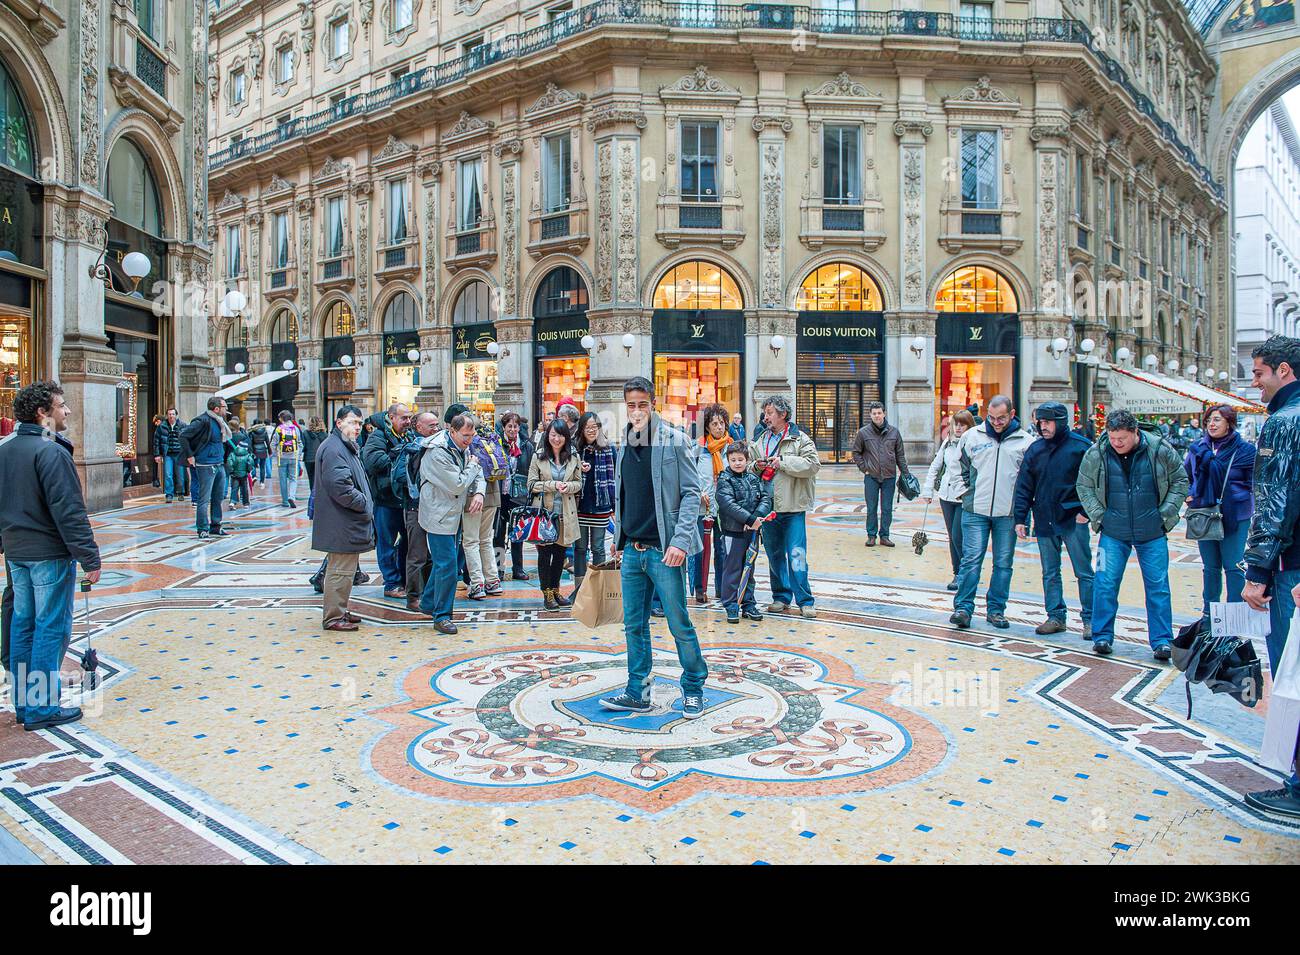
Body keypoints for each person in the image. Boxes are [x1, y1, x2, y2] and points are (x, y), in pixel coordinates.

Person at [599, 377, 709, 718]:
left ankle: (693, 687)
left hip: (665, 551)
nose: (636, 411)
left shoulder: (674, 441)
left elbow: (692, 492)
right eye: (630, 405)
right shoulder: (624, 444)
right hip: (632, 550)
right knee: (634, 624)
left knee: (678, 622)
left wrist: (679, 541)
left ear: (653, 402)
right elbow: (625, 494)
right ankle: (638, 691)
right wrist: (618, 540)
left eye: (642, 404)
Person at [0, 381, 102, 731]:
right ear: (43, 413)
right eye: (61, 405)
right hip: (48, 553)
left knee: (22, 625)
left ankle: (25, 705)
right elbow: (69, 511)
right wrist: (90, 558)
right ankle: (42, 707)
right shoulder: (51, 451)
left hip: (16, 553)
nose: (67, 411)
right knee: (49, 627)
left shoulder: (5, 448)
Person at [1240, 335, 1300, 818]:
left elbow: (1274, 505)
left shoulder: (1283, 422)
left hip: (1289, 569)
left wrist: (1257, 571)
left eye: (1258, 372)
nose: (1254, 381)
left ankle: (1298, 781)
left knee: (1291, 672)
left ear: (1283, 371)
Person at [1076, 409, 1188, 659]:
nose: (1116, 444)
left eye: (1122, 439)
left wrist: (1165, 513)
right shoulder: (1097, 453)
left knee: (1158, 587)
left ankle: (1162, 641)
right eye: (1112, 438)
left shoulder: (1159, 449)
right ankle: (1102, 636)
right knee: (1105, 583)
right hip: (1113, 532)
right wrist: (1099, 516)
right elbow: (1083, 486)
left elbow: (1180, 480)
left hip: (1152, 532)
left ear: (1136, 433)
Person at [950, 395, 1036, 630]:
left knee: (1003, 563)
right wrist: (964, 492)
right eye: (992, 417)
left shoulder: (1025, 442)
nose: (996, 422)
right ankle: (963, 608)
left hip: (1007, 514)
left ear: (1012, 413)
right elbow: (957, 465)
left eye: (1002, 418)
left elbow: (1029, 480)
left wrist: (1023, 513)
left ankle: (996, 610)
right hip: (975, 510)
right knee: (971, 561)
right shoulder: (972, 436)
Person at [1012, 402, 1095, 637]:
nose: (1043, 426)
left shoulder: (1081, 447)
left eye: (1047, 422)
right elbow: (1024, 485)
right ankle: (1056, 615)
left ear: (1060, 422)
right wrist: (1021, 517)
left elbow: (1095, 482)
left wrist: (1085, 513)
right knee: (1050, 571)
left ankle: (1090, 618)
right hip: (1045, 517)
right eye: (1040, 422)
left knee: (1083, 570)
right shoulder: (1036, 449)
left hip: (1073, 518)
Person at [750, 394, 820, 618]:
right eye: (765, 413)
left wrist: (784, 462)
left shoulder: (800, 439)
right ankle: (780, 596)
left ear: (783, 414)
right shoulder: (761, 439)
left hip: (792, 508)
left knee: (797, 554)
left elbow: (813, 465)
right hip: (769, 509)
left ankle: (805, 600)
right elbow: (750, 465)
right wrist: (757, 465)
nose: (766, 417)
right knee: (774, 554)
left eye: (770, 413)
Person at [1184, 404, 1256, 622]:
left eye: (1217, 420)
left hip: (1235, 513)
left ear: (1229, 423)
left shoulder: (1245, 450)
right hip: (1204, 512)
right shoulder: (1197, 448)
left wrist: (1236, 495)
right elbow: (1186, 475)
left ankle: (1234, 613)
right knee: (1210, 567)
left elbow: (1253, 480)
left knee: (1233, 565)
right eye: (1209, 420)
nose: (1211, 424)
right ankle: (1210, 613)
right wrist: (1190, 494)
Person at [418, 411, 485, 634]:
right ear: (452, 431)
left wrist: (479, 494)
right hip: (438, 516)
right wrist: (473, 468)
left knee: (444, 564)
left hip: (453, 514)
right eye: (465, 435)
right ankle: (442, 616)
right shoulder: (438, 453)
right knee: (447, 566)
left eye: (472, 435)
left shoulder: (461, 448)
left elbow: (478, 475)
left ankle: (428, 603)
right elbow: (457, 484)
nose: (469, 440)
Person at [311, 404, 375, 632]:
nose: (357, 427)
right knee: (339, 571)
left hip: (345, 520)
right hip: (341, 520)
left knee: (344, 572)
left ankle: (339, 609)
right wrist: (364, 504)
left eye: (359, 423)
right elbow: (341, 487)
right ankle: (333, 616)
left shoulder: (344, 445)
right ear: (339, 423)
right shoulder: (334, 448)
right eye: (352, 422)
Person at [359, 402, 412, 600]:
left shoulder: (406, 435)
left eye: (409, 418)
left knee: (405, 541)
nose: (408, 422)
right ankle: (391, 582)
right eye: (403, 418)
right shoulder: (377, 436)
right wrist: (398, 453)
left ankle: (402, 578)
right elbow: (371, 462)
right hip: (384, 498)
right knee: (386, 542)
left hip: (402, 498)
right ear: (391, 417)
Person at [715, 441, 771, 623]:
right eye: (733, 460)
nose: (737, 463)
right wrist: (748, 519)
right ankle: (731, 604)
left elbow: (765, 498)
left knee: (749, 569)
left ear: (747, 460)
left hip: (752, 533)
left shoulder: (753, 479)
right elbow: (727, 504)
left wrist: (756, 518)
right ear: (728, 461)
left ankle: (748, 603)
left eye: (741, 459)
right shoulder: (724, 479)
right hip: (733, 532)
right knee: (732, 569)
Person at [529, 419, 582, 610]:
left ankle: (556, 589)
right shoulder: (538, 457)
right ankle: (547, 594)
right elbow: (531, 484)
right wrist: (552, 485)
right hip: (545, 514)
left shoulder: (573, 457)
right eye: (552, 435)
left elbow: (579, 483)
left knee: (560, 555)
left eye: (560, 435)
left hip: (565, 513)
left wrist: (569, 486)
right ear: (547, 436)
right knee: (544, 555)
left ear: (565, 437)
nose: (556, 438)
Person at [922, 409, 974, 590]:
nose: (958, 428)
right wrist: (928, 491)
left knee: (959, 536)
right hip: (946, 495)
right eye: (956, 424)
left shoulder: (972, 444)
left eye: (962, 424)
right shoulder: (947, 443)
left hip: (963, 497)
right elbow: (935, 467)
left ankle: (965, 572)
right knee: (952, 536)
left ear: (969, 426)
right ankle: (957, 573)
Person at [850, 401, 909, 547]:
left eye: (879, 413)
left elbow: (900, 455)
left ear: (884, 413)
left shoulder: (894, 432)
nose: (877, 415)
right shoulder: (863, 433)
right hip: (871, 476)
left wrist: (905, 473)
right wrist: (865, 468)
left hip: (889, 476)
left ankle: (885, 536)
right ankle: (871, 535)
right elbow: (856, 452)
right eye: (874, 413)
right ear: (870, 415)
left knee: (887, 508)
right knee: (871, 507)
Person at [396, 413, 439, 611]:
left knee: (429, 555)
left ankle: (429, 594)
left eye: (437, 425)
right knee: (417, 554)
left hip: (432, 507)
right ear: (419, 427)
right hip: (415, 507)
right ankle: (413, 597)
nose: (436, 429)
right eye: (431, 425)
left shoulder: (434, 446)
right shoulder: (414, 449)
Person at [180, 396, 234, 540]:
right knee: (204, 499)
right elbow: (183, 435)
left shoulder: (220, 422)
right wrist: (190, 455)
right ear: (216, 408)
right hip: (205, 464)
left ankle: (216, 526)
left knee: (218, 497)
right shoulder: (202, 421)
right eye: (224, 407)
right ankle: (202, 528)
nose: (226, 410)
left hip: (219, 463)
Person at [573, 411, 615, 595]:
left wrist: (615, 506)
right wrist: (578, 468)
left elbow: (614, 479)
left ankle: (599, 589)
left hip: (600, 506)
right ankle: (580, 589)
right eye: (587, 427)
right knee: (580, 548)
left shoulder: (608, 449)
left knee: (598, 547)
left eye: (594, 427)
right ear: (581, 429)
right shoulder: (574, 449)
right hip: (579, 506)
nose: (591, 430)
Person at [692, 404, 730, 602]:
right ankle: (700, 588)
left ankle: (722, 589)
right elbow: (689, 475)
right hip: (703, 506)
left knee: (722, 548)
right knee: (701, 548)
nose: (718, 427)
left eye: (721, 423)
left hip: (725, 507)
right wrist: (697, 493)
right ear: (707, 427)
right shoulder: (697, 448)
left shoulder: (731, 447)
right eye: (714, 423)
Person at [463, 424, 506, 599]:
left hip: (473, 498)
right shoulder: (490, 438)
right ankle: (493, 581)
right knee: (486, 539)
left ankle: (477, 584)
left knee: (471, 541)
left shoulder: (468, 443)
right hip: (493, 496)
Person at [494, 412, 533, 581]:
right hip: (501, 495)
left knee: (518, 533)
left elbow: (531, 468)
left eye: (515, 426)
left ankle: (518, 568)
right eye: (509, 426)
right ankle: (499, 568)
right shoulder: (496, 444)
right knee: (498, 533)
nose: (512, 429)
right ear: (504, 427)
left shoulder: (526, 445)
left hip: (519, 495)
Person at [152, 408, 188, 502]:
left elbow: (187, 439)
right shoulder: (162, 426)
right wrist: (157, 454)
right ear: (167, 415)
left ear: (176, 415)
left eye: (173, 414)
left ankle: (180, 493)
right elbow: (156, 441)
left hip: (179, 453)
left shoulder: (183, 425)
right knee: (168, 474)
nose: (171, 416)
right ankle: (169, 494)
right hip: (167, 454)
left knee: (180, 475)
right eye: (169, 414)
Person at [272, 410, 303, 508]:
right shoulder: (295, 428)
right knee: (293, 479)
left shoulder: (279, 429)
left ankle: (285, 501)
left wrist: (274, 454)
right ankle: (292, 497)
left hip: (282, 457)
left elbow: (273, 443)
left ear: (282, 418)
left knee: (283, 479)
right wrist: (298, 455)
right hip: (293, 456)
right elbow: (300, 443)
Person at [226, 437, 255, 509]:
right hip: (244, 475)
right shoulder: (247, 455)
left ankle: (232, 502)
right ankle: (246, 503)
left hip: (234, 475)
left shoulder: (232, 454)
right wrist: (248, 470)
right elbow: (250, 463)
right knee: (244, 489)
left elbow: (229, 463)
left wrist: (231, 471)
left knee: (234, 488)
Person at [302, 416, 328, 492]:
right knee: (320, 479)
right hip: (320, 459)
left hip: (308, 459)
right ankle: (319, 495)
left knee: (311, 479)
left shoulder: (305, 433)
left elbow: (304, 446)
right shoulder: (324, 434)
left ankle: (313, 496)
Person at [249, 419, 273, 486]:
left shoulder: (252, 431)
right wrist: (270, 451)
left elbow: (250, 443)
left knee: (253, 465)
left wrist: (250, 451)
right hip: (263, 450)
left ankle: (254, 476)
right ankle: (262, 482)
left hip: (255, 450)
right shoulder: (264, 431)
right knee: (262, 466)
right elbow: (267, 442)